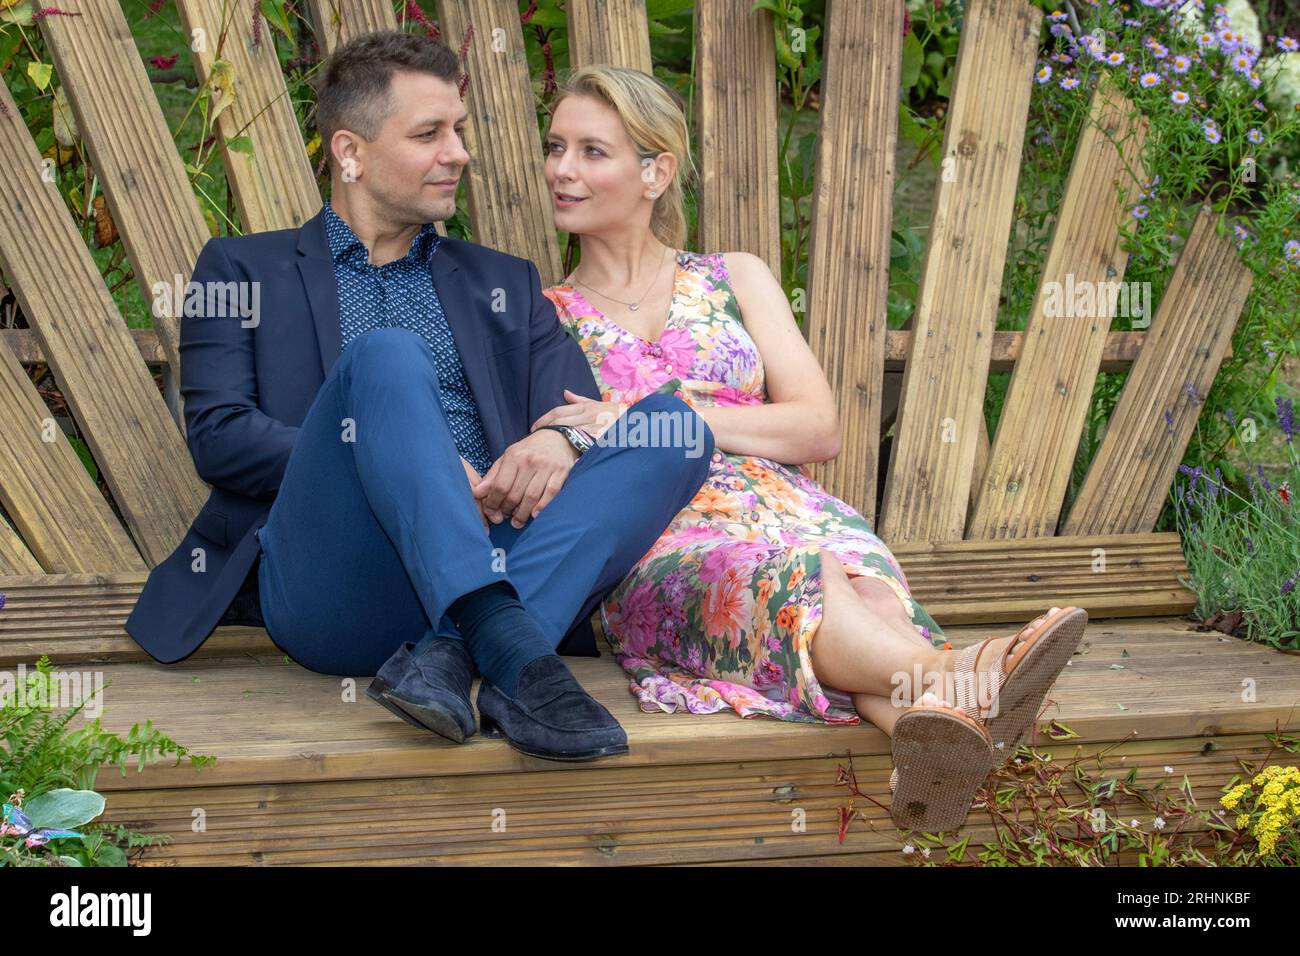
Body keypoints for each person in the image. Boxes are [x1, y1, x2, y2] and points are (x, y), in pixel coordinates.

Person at [125, 33, 715, 764]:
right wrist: (428, 472)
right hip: (341, 578)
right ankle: (506, 650)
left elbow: (577, 412)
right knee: (386, 354)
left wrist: (561, 442)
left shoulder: (503, 281)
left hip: (508, 562)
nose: (459, 153)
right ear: (351, 152)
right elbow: (219, 434)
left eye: (459, 130)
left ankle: (461, 655)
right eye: (430, 133)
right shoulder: (240, 267)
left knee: (675, 430)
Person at [535, 65, 1088, 830]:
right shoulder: (540, 316)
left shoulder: (736, 278)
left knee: (848, 581)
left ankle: (930, 745)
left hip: (793, 508)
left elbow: (817, 426)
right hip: (657, 536)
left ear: (655, 171)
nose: (562, 169)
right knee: (800, 585)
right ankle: (961, 678)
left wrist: (657, 414)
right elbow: (552, 453)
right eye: (555, 146)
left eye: (591, 151)